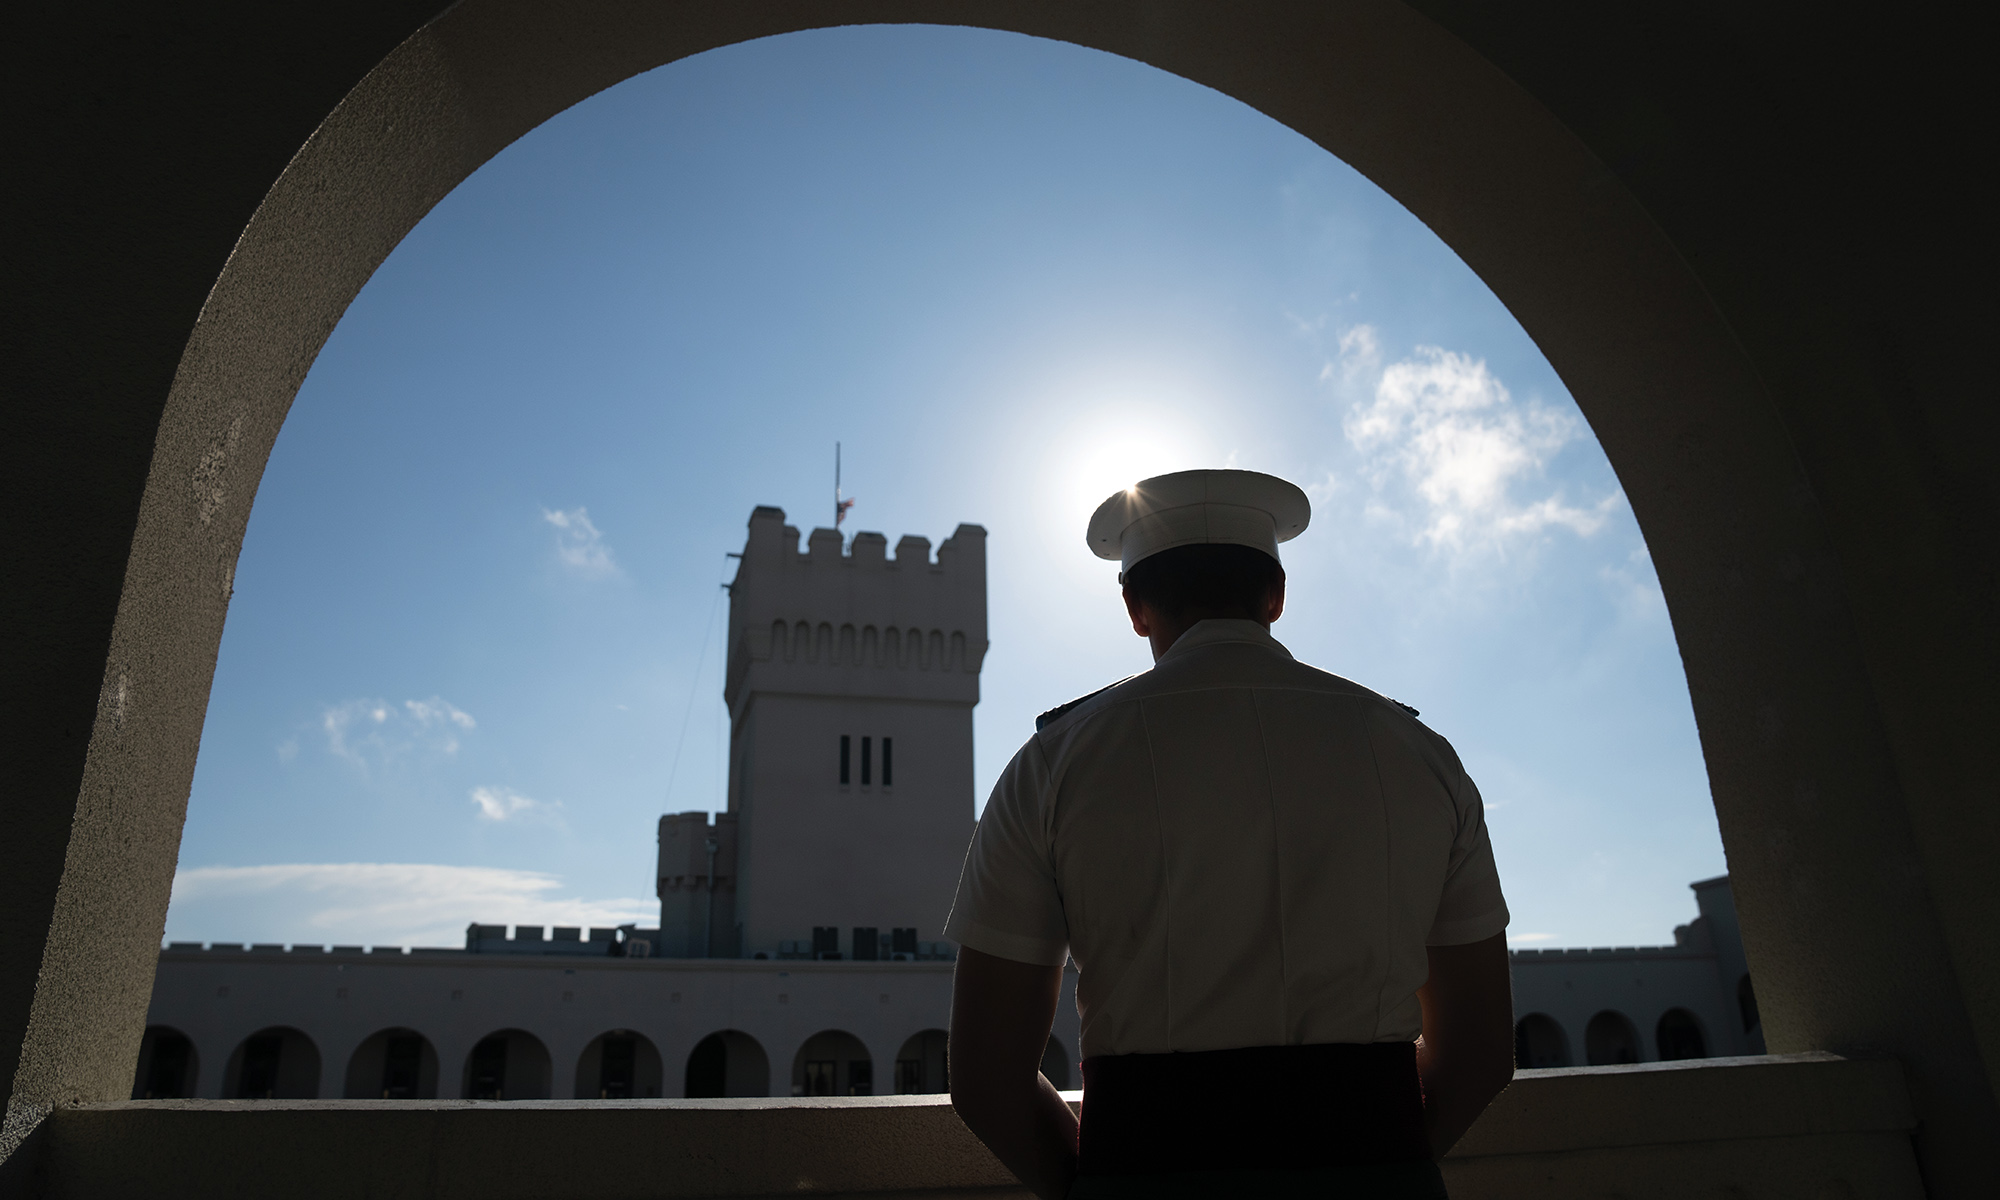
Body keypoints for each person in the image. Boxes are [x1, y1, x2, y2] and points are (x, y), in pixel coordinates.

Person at [944, 468, 1515, 1199]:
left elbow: (987, 1078)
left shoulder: (1051, 766)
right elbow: (1482, 1056)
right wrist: (1389, 1158)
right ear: (1276, 596)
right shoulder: (1418, 755)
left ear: (1134, 608)